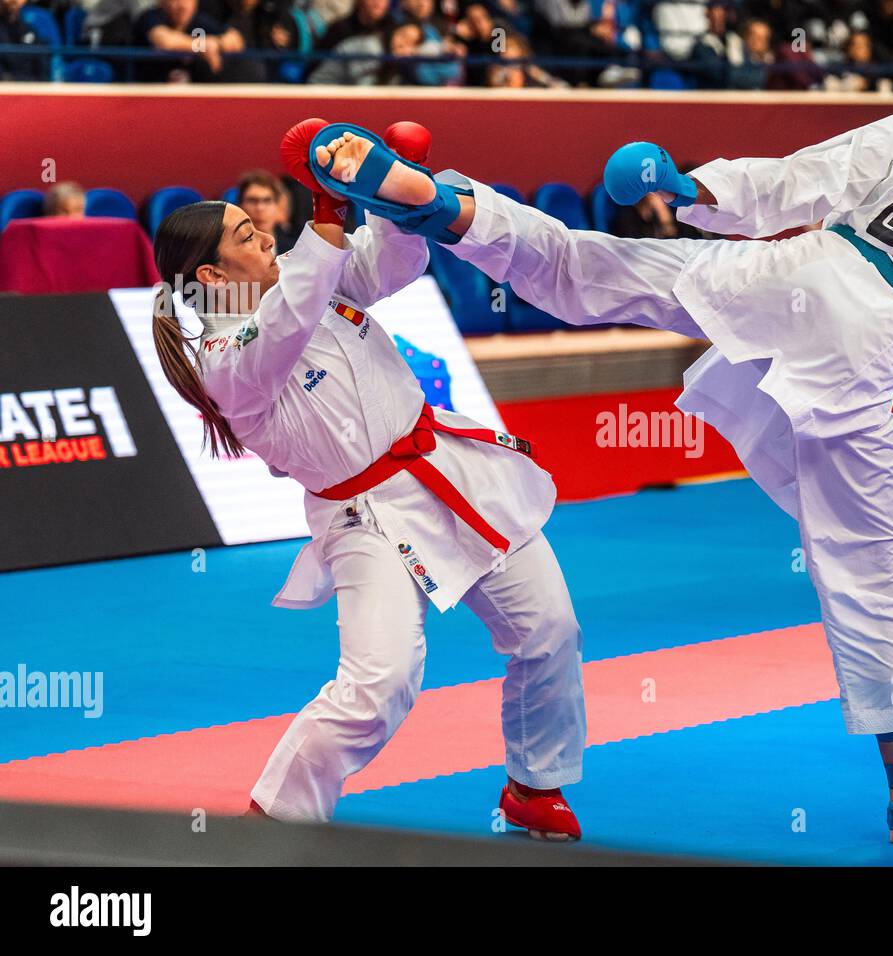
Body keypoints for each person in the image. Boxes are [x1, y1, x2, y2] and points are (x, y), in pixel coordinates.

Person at [317, 53, 893, 842]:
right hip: (871, 341)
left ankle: (453, 209)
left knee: (604, 269)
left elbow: (805, 179)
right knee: (864, 566)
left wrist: (690, 185)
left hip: (797, 276)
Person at [148, 119, 588, 840]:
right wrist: (325, 212)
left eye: (259, 223)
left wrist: (393, 183)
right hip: (363, 518)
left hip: (449, 471)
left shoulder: (306, 273)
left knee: (550, 628)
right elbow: (286, 325)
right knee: (378, 684)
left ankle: (534, 787)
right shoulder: (225, 357)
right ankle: (275, 824)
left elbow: (392, 264)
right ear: (212, 277)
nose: (264, 231)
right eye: (245, 235)